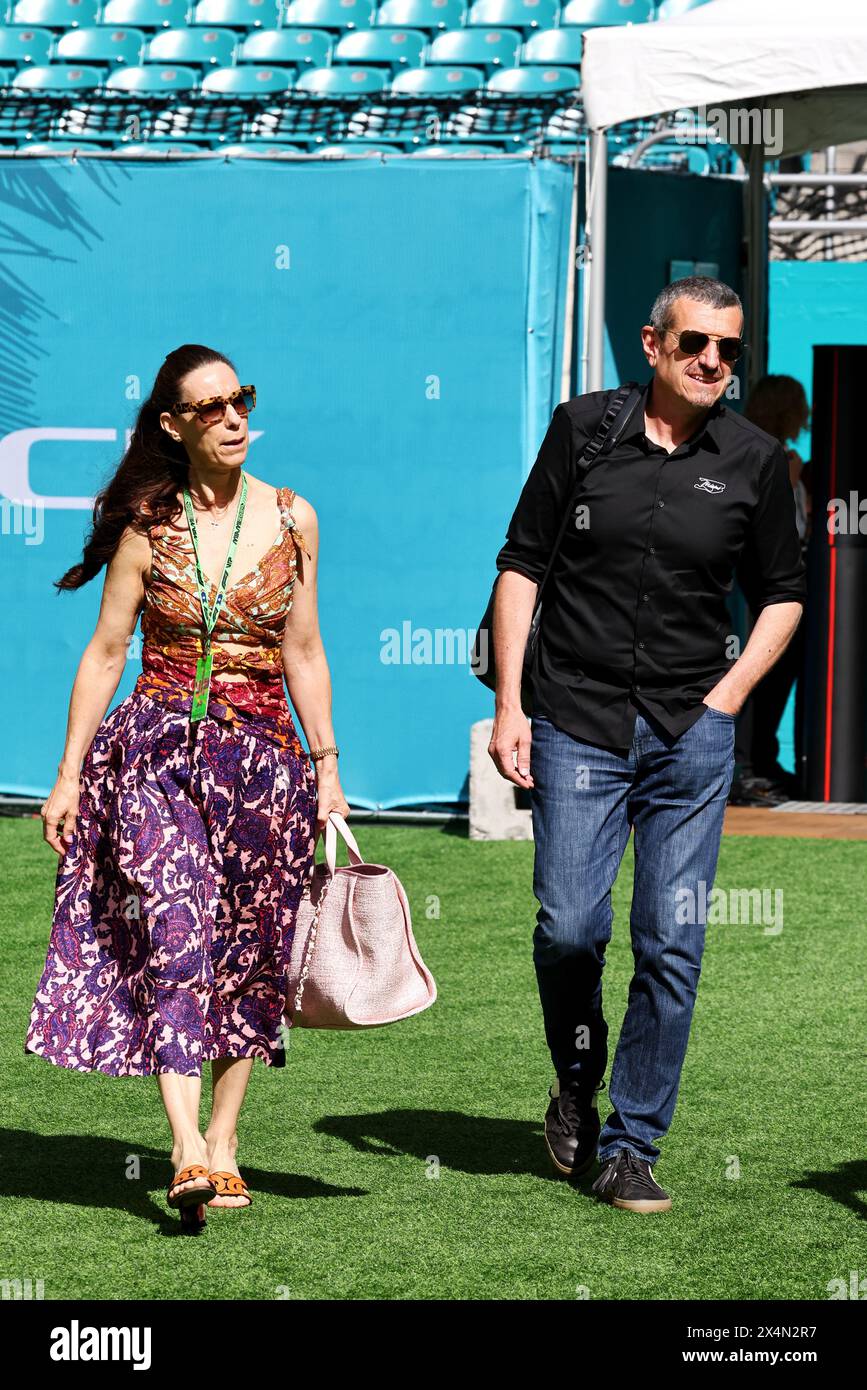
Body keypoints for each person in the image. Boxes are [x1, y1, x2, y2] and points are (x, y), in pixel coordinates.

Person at [488, 277, 806, 1212]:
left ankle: (631, 1143)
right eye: (695, 344)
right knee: (569, 929)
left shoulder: (756, 461)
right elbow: (520, 564)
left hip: (687, 734)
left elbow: (783, 591)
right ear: (652, 344)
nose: (712, 361)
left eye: (729, 351)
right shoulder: (582, 429)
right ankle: (576, 1079)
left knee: (672, 942)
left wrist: (726, 701)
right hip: (575, 717)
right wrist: (511, 703)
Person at [25, 345, 350, 1233]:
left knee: (248, 948)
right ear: (174, 425)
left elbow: (305, 651)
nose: (233, 417)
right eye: (209, 407)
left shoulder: (293, 519)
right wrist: (64, 777)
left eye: (239, 398)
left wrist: (326, 769)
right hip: (157, 752)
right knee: (177, 929)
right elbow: (104, 653)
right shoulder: (146, 525)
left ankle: (226, 1137)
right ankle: (183, 1149)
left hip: (265, 762)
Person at [728, 375, 812, 804]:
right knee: (766, 660)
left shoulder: (778, 452)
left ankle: (760, 757)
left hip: (776, 567)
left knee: (785, 663)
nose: (807, 415)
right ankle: (744, 764)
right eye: (800, 406)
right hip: (766, 569)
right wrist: (791, 476)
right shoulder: (769, 454)